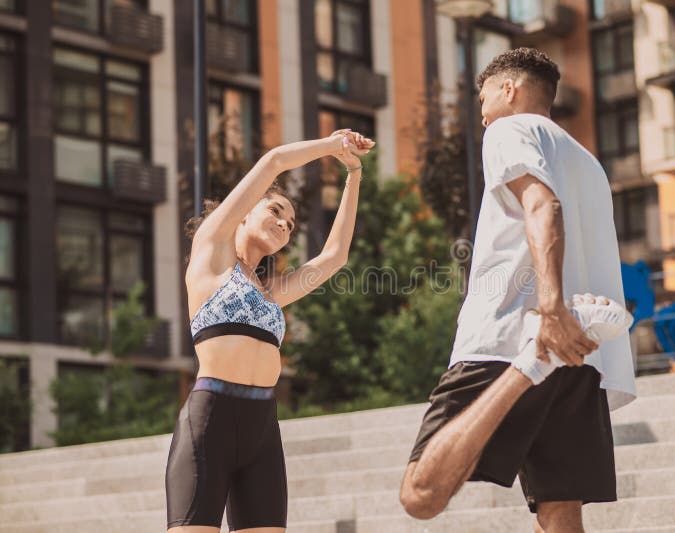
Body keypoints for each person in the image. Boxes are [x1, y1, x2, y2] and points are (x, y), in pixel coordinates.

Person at [399, 47, 636, 533]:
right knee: (561, 513)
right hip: (582, 355)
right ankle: (538, 357)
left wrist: (548, 312)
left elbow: (542, 205)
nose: (482, 113)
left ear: (509, 90)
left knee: (421, 494)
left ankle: (532, 363)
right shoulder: (587, 161)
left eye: (483, 98)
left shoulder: (509, 130)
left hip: (516, 336)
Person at [165, 129, 374, 533]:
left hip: (263, 425)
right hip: (210, 420)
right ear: (243, 212)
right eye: (275, 211)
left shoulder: (270, 294)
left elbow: (334, 257)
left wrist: (353, 174)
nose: (284, 224)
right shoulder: (211, 254)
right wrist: (334, 146)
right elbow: (275, 160)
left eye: (291, 223)